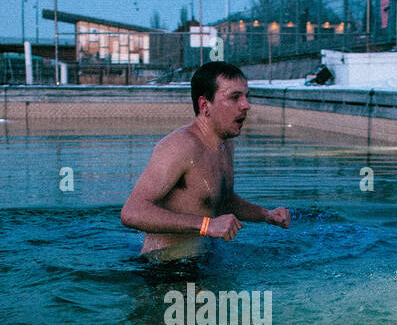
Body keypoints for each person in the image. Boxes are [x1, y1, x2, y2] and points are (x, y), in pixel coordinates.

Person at [120, 62, 290, 261]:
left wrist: (265, 215)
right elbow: (132, 212)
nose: (246, 105)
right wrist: (206, 225)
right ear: (204, 105)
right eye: (235, 97)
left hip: (202, 261)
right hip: (165, 270)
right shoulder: (180, 146)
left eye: (246, 96)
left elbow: (221, 199)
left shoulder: (225, 144)